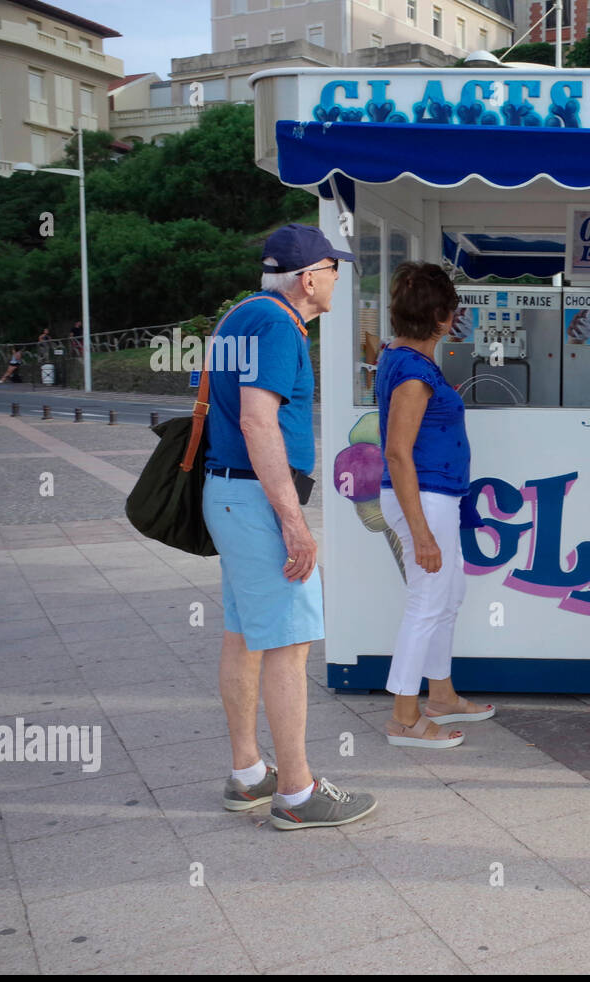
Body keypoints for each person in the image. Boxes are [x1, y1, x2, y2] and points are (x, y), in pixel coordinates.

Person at [203, 222, 378, 831]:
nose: (336, 280)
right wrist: (292, 520)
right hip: (255, 501)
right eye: (333, 270)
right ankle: (298, 794)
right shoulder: (279, 325)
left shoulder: (240, 316)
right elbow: (258, 421)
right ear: (309, 277)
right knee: (287, 642)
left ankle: (249, 774)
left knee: (242, 635)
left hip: (228, 493)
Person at [376, 262, 494, 748]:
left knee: (449, 593)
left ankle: (440, 695)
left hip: (432, 495)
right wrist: (422, 533)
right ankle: (404, 715)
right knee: (428, 600)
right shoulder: (413, 372)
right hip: (423, 497)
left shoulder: (399, 358)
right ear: (445, 319)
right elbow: (398, 452)